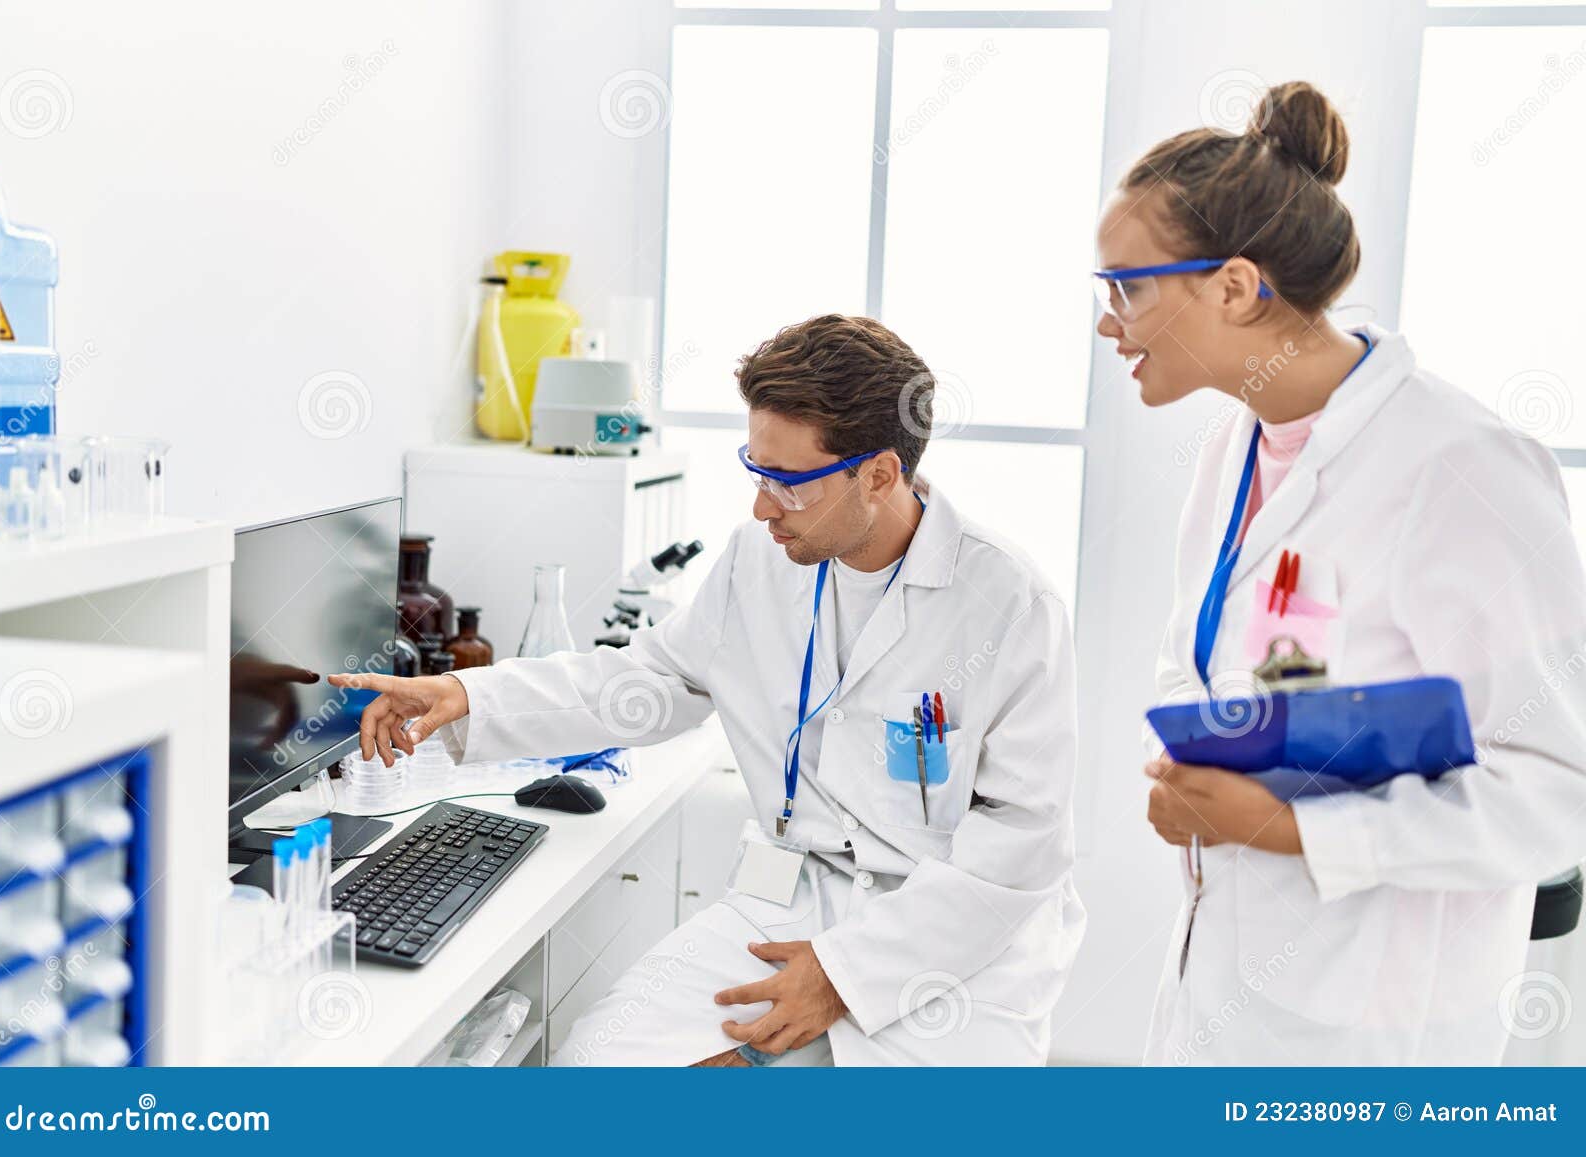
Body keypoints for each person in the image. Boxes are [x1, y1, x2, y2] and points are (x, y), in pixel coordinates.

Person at [330, 314, 1084, 1066]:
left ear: (880, 474)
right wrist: (471, 695)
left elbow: (1022, 843)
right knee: (598, 1065)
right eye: (754, 471)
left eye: (788, 483)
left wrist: (847, 976)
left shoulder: (1011, 604)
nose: (761, 507)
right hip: (794, 891)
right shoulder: (758, 561)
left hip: (952, 948)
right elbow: (651, 675)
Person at [1091, 80, 1586, 1064]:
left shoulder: (1459, 467)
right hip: (1225, 997)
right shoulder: (1235, 447)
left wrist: (1286, 827)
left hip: (1376, 1039)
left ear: (1233, 286)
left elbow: (1557, 794)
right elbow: (1224, 668)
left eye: (1128, 287)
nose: (1109, 323)